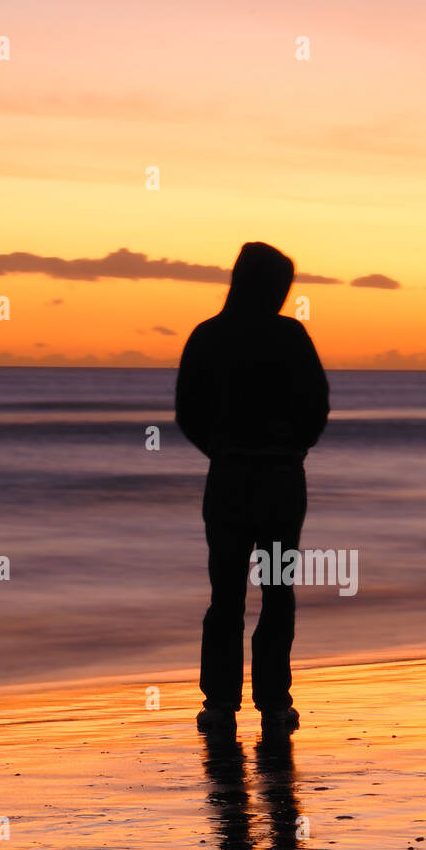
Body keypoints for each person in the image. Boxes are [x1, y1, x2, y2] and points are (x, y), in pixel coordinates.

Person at [175, 242, 330, 735]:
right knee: (277, 590)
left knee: (226, 594)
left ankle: (221, 705)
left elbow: (187, 412)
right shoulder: (290, 336)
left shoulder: (208, 335)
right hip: (280, 481)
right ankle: (273, 704)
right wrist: (291, 450)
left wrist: (221, 450)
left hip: (229, 479)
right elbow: (316, 407)